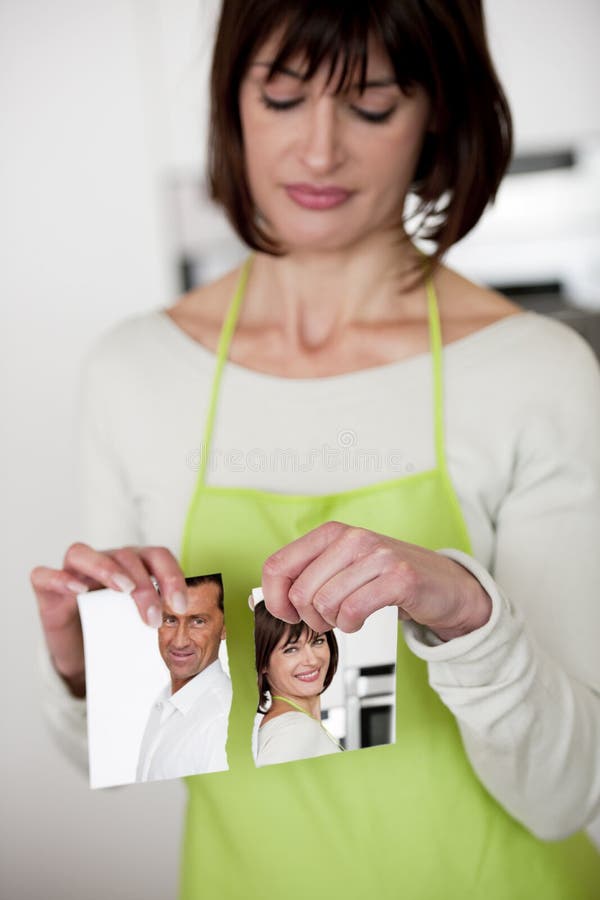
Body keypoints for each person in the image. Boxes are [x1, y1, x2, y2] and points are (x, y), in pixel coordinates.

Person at [30, 1, 600, 898]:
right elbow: (138, 740)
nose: (320, 150)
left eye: (372, 105)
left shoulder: (536, 373)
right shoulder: (136, 373)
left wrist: (465, 612)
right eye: (284, 97)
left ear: (438, 111)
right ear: (233, 104)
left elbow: (567, 795)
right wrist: (80, 663)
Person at [136, 574, 231, 781]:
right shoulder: (164, 700)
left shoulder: (222, 723)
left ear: (225, 627)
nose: (179, 642)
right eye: (170, 620)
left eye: (198, 621)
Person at [252, 592, 342, 766]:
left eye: (317, 641)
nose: (312, 660)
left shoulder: (293, 725)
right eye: (291, 650)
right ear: (262, 663)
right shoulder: (295, 730)